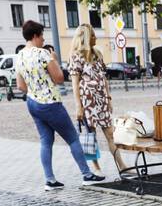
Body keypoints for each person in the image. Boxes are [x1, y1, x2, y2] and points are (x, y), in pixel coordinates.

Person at [13, 19, 103, 190]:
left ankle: (50, 180)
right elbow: (60, 79)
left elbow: (20, 86)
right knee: (73, 139)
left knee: (46, 141)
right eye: (42, 36)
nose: (43, 40)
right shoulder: (43, 54)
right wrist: (53, 59)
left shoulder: (20, 56)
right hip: (51, 103)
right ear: (34, 36)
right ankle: (87, 175)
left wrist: (35, 90)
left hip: (32, 103)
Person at [68, 23, 124, 176]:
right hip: (87, 103)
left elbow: (104, 78)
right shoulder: (76, 57)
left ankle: (123, 166)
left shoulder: (97, 54)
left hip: (102, 101)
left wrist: (109, 98)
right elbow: (75, 84)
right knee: (90, 137)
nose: (95, 37)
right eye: (93, 35)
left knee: (110, 135)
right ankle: (96, 168)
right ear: (86, 38)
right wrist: (78, 106)